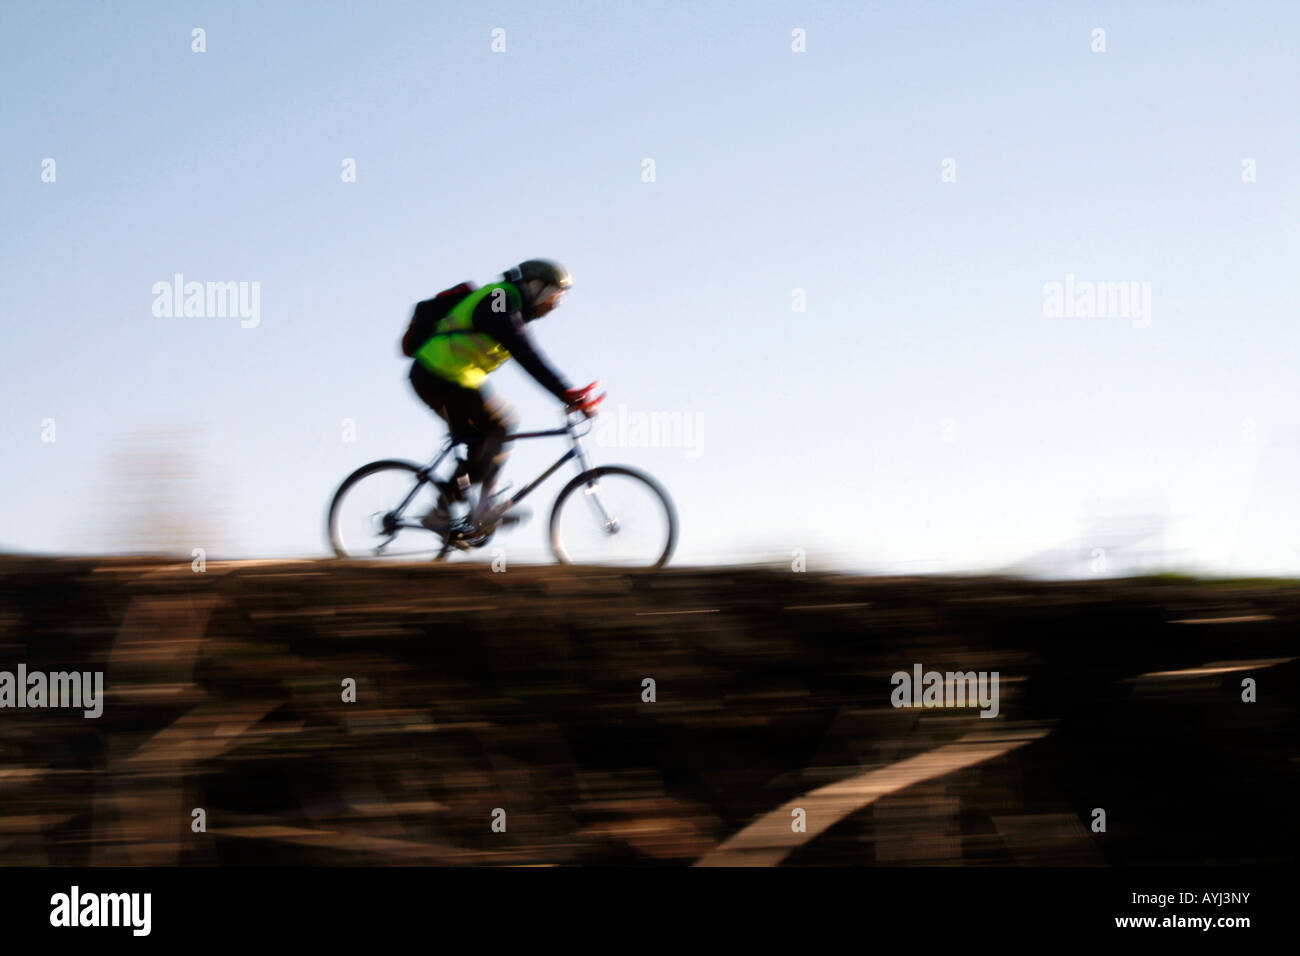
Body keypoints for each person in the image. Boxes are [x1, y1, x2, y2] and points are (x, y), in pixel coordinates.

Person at [402, 258, 603, 532]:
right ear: (537, 287)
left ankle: (444, 511)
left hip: (450, 377)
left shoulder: (511, 309)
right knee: (502, 423)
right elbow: (524, 352)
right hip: (438, 374)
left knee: (483, 445)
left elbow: (521, 347)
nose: (556, 304)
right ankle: (481, 508)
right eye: (555, 294)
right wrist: (564, 392)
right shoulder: (499, 298)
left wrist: (564, 393)